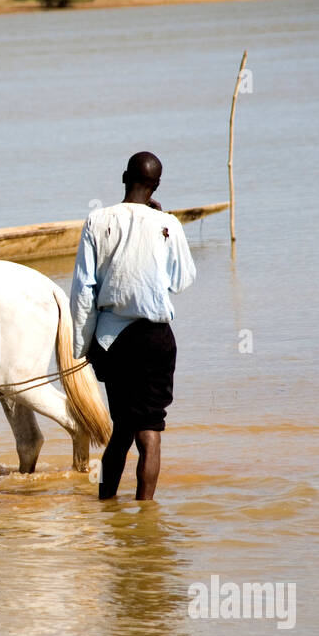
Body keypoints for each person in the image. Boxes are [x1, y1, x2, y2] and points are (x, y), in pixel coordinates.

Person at [70, 151, 196, 500]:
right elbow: (183, 280)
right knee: (150, 429)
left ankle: (106, 503)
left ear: (124, 178)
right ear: (155, 186)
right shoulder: (168, 224)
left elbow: (83, 291)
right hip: (157, 339)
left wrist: (81, 349)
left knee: (123, 428)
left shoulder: (97, 221)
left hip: (114, 341)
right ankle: (145, 514)